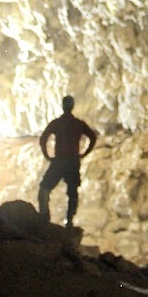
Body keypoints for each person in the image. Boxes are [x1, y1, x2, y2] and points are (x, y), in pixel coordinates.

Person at [37, 95, 98, 226]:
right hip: (73, 161)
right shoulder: (79, 124)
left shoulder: (57, 123)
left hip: (59, 160)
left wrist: (47, 156)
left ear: (62, 106)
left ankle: (44, 216)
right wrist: (84, 154)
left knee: (44, 187)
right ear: (72, 106)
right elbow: (93, 137)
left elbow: (43, 139)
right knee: (72, 192)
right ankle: (69, 220)